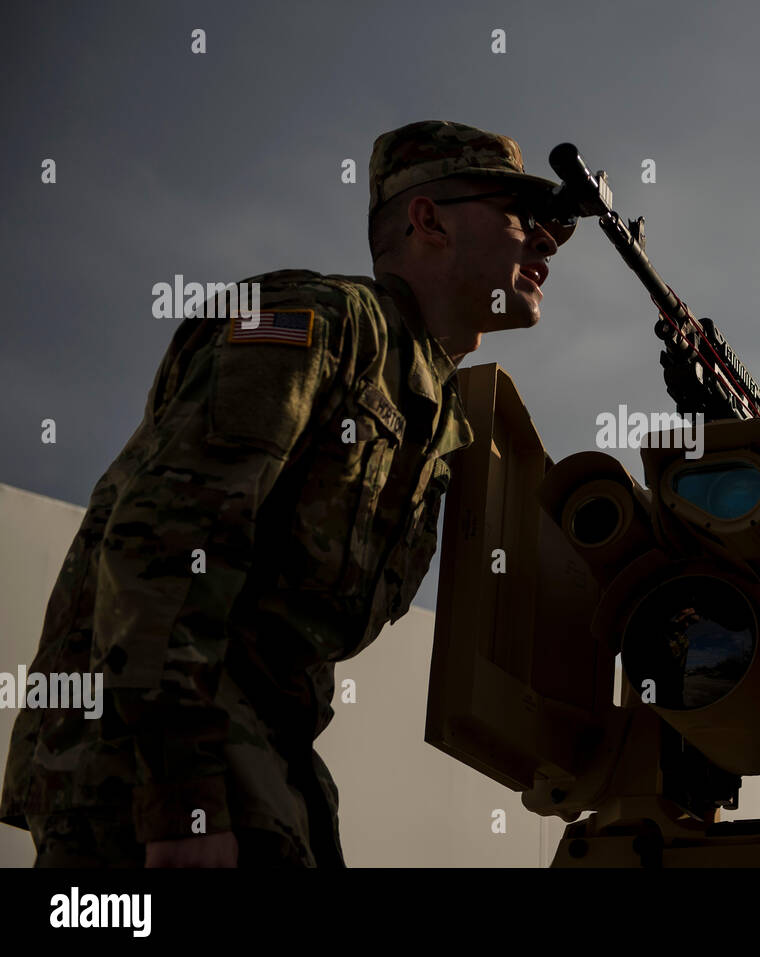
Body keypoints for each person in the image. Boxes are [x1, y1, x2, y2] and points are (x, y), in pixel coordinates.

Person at [0, 120, 577, 867]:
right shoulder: (314, 322)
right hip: (143, 770)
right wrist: (183, 801)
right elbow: (166, 543)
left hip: (265, 762)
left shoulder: (438, 413)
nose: (547, 241)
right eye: (520, 215)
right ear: (428, 219)